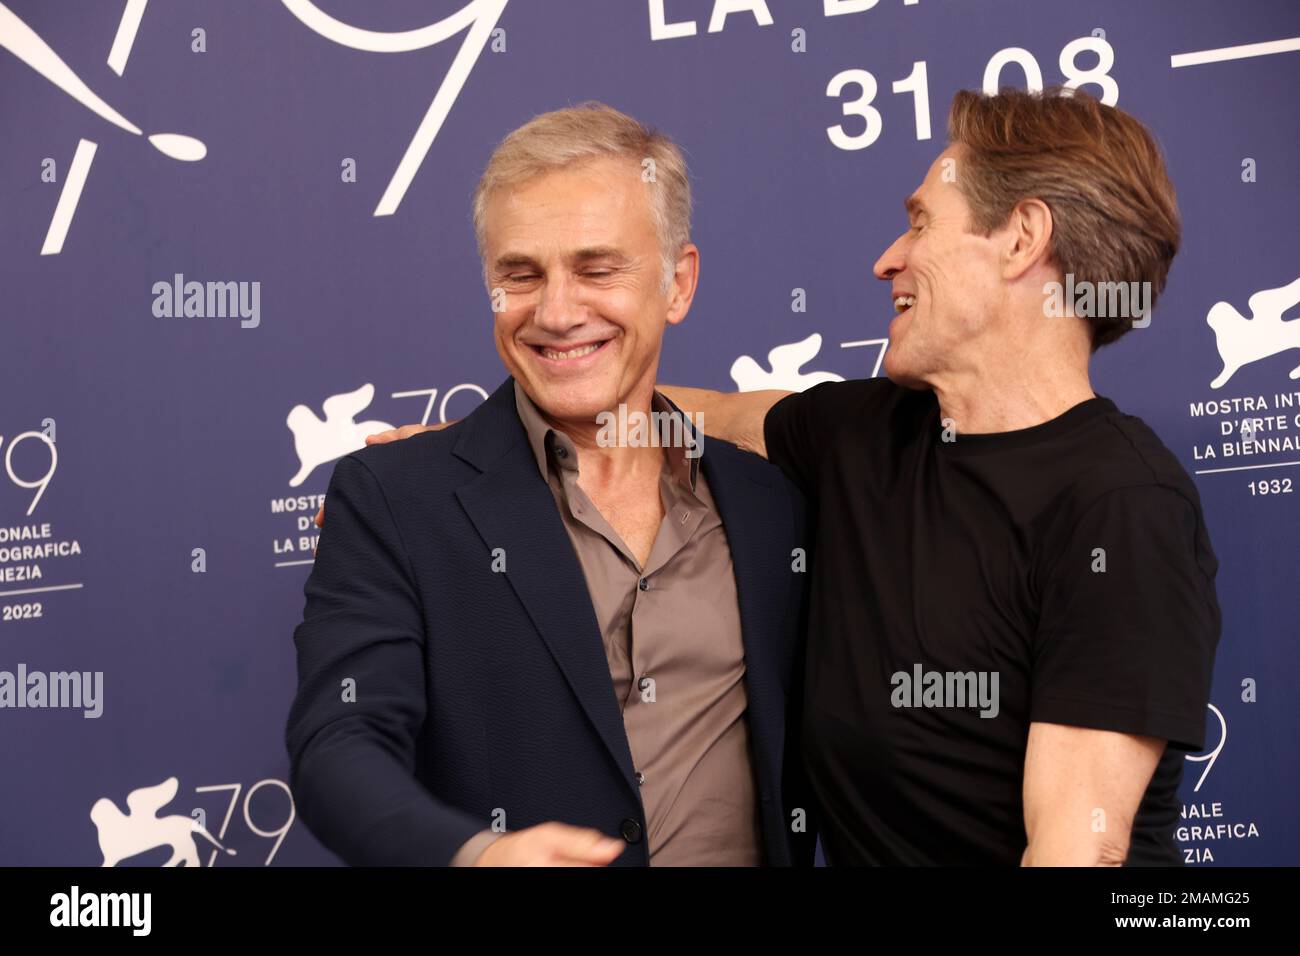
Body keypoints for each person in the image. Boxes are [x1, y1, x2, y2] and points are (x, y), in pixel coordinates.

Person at [363, 88, 1222, 866]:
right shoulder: (864, 434)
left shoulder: (1121, 508)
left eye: (921, 223)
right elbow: (689, 412)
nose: (888, 259)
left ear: (1021, 240)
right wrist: (462, 450)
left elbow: (1080, 854)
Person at [286, 103, 814, 867]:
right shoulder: (395, 500)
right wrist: (472, 856)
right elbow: (338, 745)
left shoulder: (771, 505)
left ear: (678, 282)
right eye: (520, 275)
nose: (557, 312)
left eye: (597, 269)